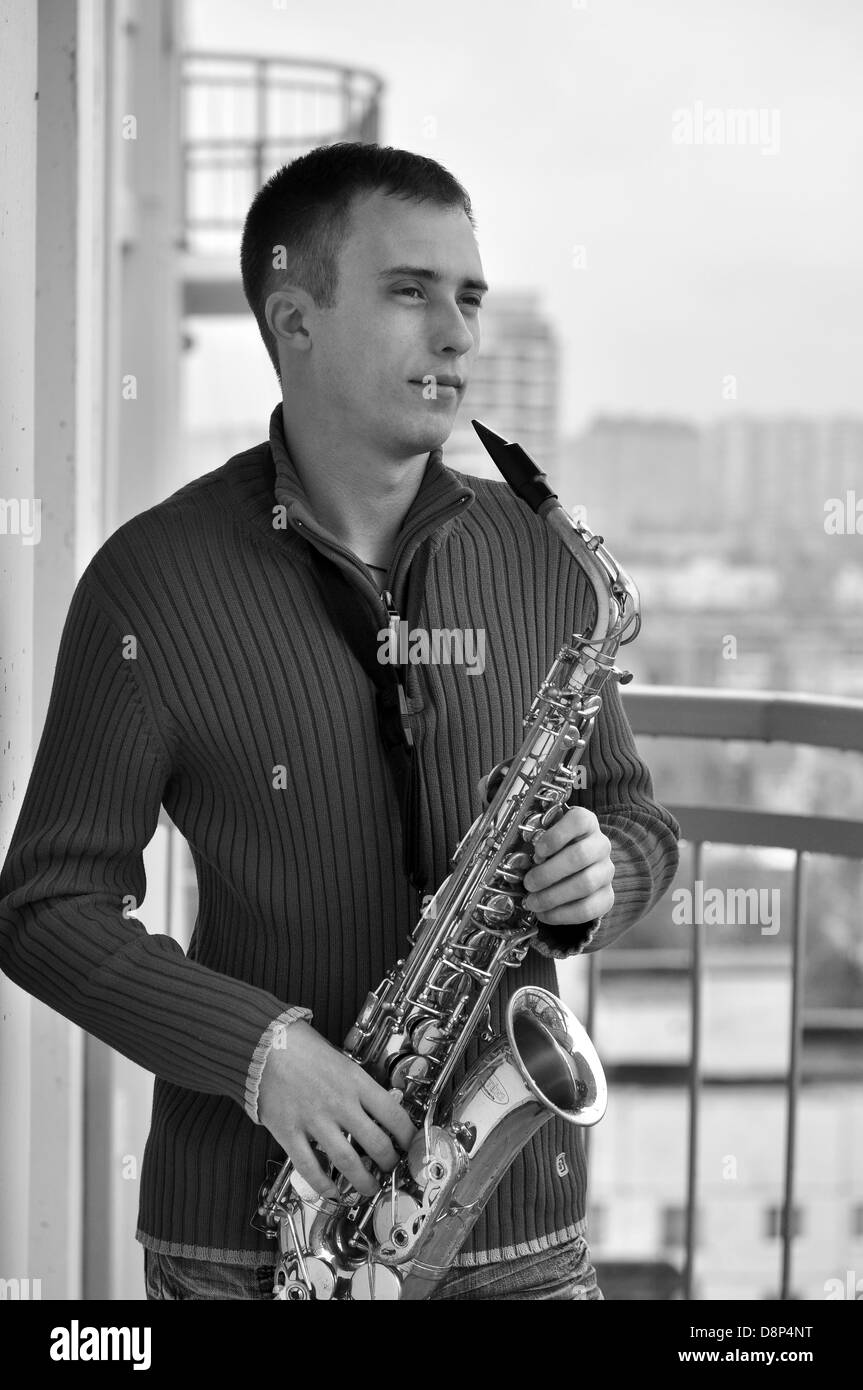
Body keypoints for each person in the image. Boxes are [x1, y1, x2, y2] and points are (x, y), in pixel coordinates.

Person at [0, 142, 680, 1301]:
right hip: (245, 1239)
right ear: (293, 316)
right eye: (410, 291)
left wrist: (604, 872)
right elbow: (45, 907)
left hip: (523, 1237)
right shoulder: (151, 581)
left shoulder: (545, 561)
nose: (459, 334)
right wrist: (263, 1058)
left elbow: (633, 822)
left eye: (466, 295)